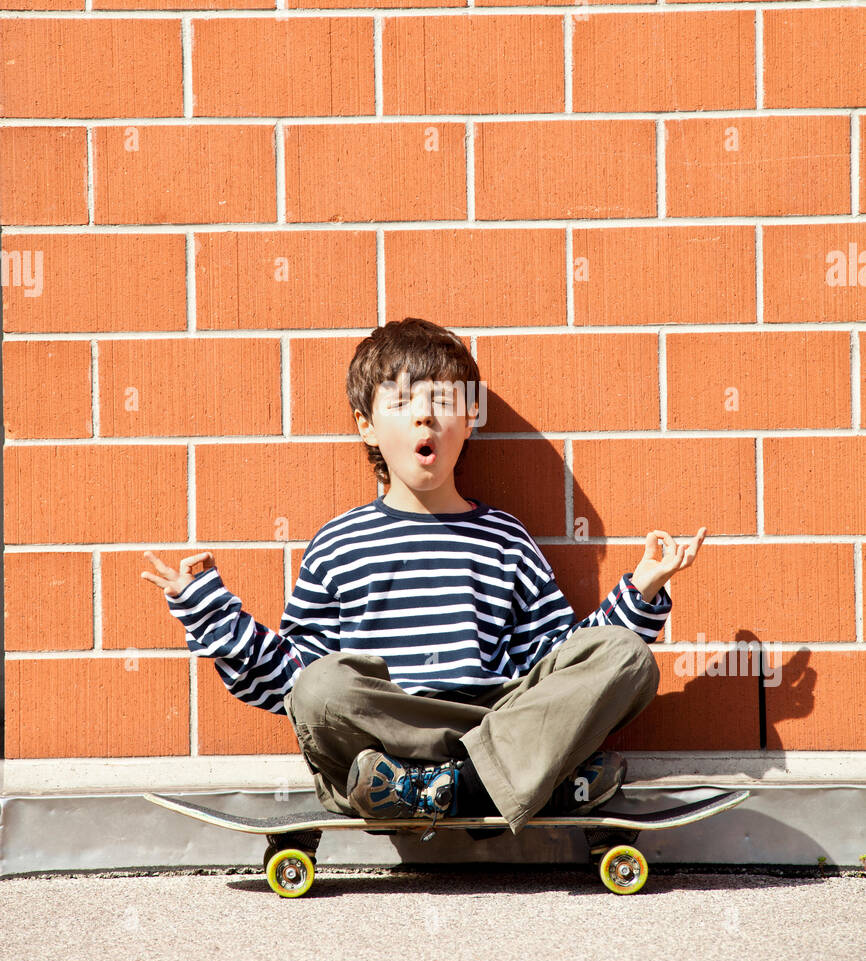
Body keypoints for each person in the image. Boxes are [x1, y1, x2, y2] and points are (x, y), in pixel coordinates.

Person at [141, 317, 706, 847]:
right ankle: (516, 785)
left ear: (469, 421)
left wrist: (643, 591)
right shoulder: (338, 544)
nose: (424, 415)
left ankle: (457, 788)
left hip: (494, 720)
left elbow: (558, 659)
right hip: (390, 738)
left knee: (626, 658)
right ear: (366, 425)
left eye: (443, 401)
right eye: (402, 400)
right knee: (320, 690)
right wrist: (211, 613)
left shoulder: (504, 538)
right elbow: (293, 684)